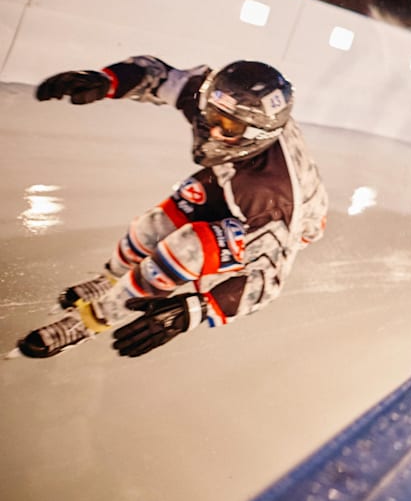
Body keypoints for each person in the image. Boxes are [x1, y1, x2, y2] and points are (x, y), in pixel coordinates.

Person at [14, 56, 328, 358]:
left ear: (257, 136)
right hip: (235, 175)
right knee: (152, 226)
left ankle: (92, 320)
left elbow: (266, 281)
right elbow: (161, 75)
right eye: (210, 112)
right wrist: (105, 81)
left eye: (226, 126)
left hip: (284, 218)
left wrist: (191, 311)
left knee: (189, 247)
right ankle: (110, 281)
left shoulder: (274, 199)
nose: (209, 128)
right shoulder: (229, 106)